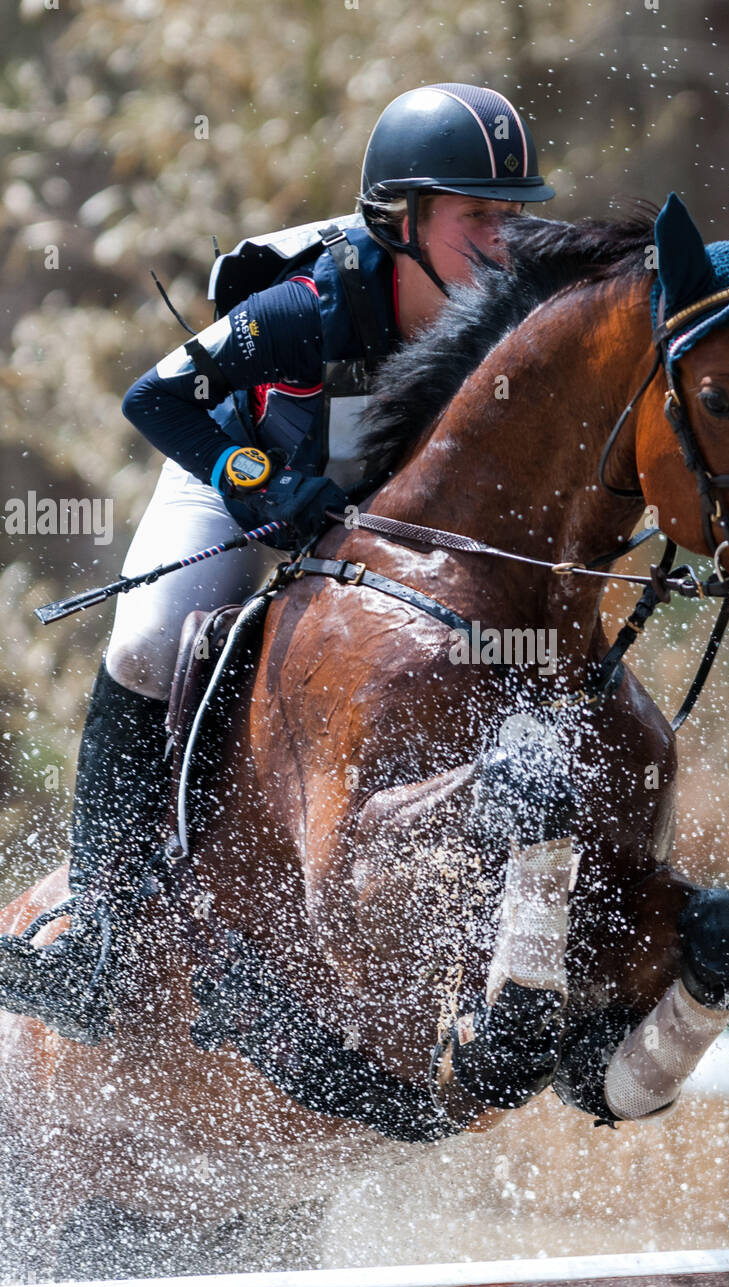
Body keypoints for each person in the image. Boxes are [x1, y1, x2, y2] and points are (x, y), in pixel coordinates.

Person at [0, 82, 555, 1043]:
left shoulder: (510, 321)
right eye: (477, 218)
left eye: (512, 218)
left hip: (369, 526)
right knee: (149, 641)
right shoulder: (309, 306)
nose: (502, 244)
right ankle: (95, 924)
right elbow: (154, 396)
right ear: (403, 220)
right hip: (236, 481)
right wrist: (251, 480)